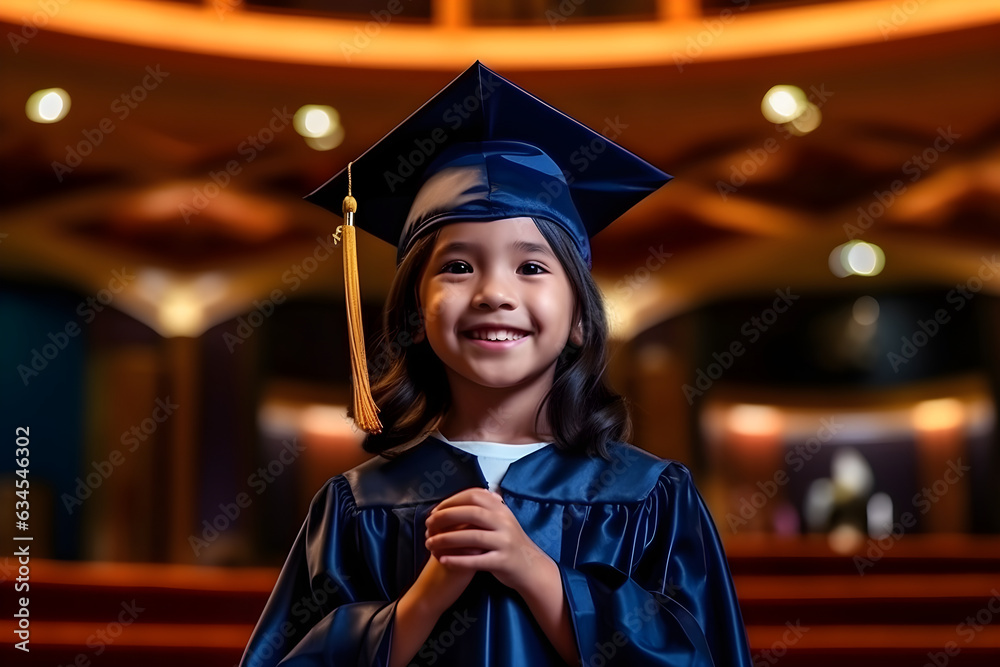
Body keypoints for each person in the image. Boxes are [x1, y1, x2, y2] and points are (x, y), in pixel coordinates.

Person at [240, 62, 752, 667]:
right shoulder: (358, 507)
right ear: (413, 314)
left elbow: (702, 655)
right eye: (457, 267)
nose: (493, 293)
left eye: (531, 267)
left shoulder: (649, 498)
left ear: (580, 318)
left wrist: (535, 573)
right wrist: (420, 603)